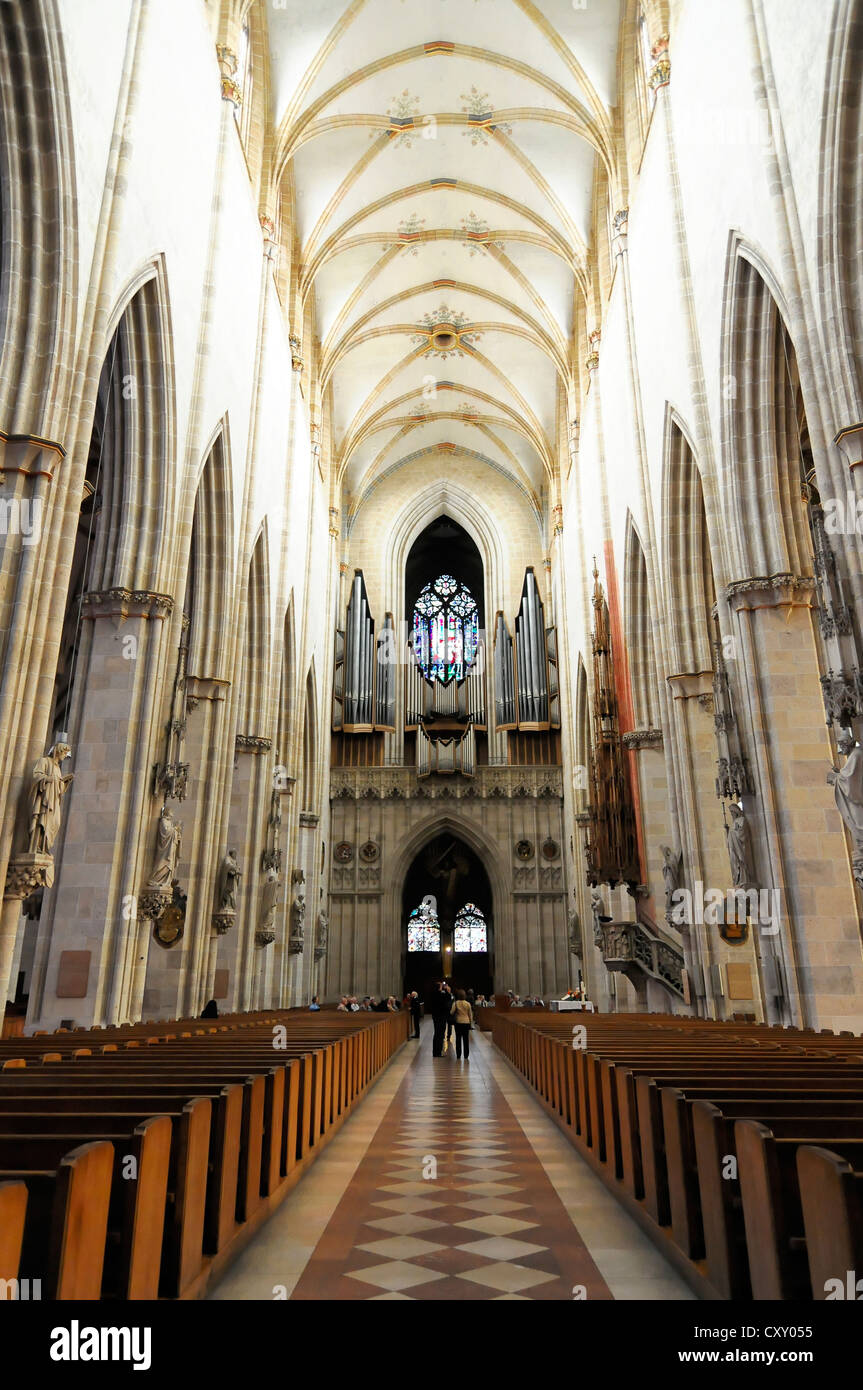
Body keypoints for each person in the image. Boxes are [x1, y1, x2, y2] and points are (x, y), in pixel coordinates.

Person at [451, 989, 474, 1059]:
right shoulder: (467, 1004)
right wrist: (471, 1023)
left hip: (458, 1022)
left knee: (458, 1039)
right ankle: (466, 1055)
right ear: (465, 995)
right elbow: (470, 1015)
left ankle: (458, 1055)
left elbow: (451, 1012)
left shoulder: (455, 1003)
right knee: (466, 1039)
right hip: (466, 1023)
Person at [430, 981, 450, 1057]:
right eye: (441, 986)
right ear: (439, 987)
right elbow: (448, 998)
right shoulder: (439, 994)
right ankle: (437, 1052)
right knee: (440, 1034)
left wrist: (443, 990)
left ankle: (435, 1052)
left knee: (437, 1034)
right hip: (441, 1017)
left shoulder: (433, 994)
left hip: (435, 1016)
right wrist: (447, 990)